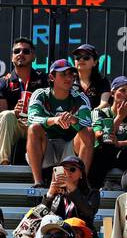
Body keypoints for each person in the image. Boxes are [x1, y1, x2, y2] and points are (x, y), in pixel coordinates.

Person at [25, 59, 95, 187]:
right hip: (46, 147)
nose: (68, 78)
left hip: (70, 148)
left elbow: (87, 123)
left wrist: (73, 119)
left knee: (88, 132)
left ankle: (81, 183)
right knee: (33, 128)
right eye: (63, 74)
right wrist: (54, 120)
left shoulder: (80, 97)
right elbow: (32, 119)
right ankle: (38, 182)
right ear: (52, 77)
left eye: (71, 74)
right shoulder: (40, 94)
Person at [0, 36, 48, 165]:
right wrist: (15, 112)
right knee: (6, 115)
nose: (20, 54)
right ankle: (5, 164)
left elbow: (52, 106)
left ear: (33, 56)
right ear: (12, 56)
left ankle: (44, 168)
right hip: (16, 126)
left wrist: (36, 110)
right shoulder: (3, 82)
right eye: (16, 51)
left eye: (25, 51)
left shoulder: (44, 79)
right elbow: (2, 113)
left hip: (37, 125)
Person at [90, 75, 127, 187]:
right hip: (104, 154)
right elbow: (101, 136)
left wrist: (120, 143)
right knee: (107, 147)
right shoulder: (100, 112)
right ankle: (94, 188)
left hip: (126, 156)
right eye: (122, 90)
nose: (126, 94)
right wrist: (119, 117)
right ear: (112, 93)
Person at [71, 44, 111, 110]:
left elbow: (104, 103)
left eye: (86, 57)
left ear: (94, 62)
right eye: (77, 57)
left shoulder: (102, 81)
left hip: (95, 119)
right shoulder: (70, 80)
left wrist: (88, 115)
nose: (81, 59)